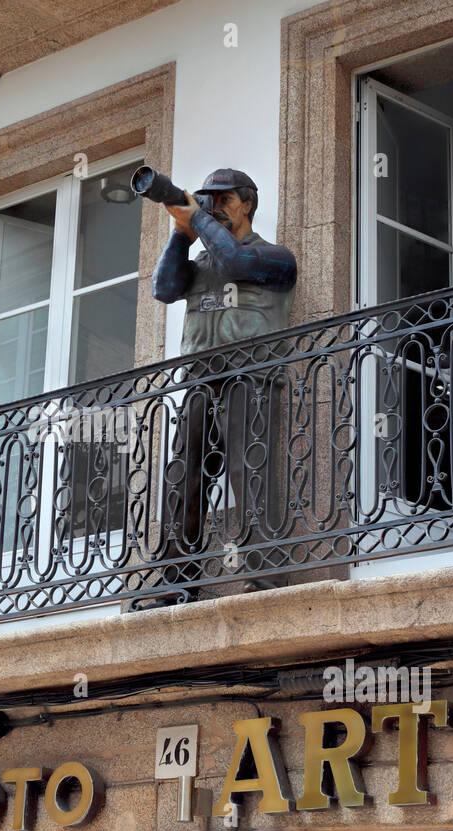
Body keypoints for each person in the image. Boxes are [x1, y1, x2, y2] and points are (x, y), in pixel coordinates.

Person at [134, 169, 298, 609]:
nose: (215, 208)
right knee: (181, 478)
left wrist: (199, 221)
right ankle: (175, 582)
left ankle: (264, 576)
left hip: (253, 375)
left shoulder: (275, 257)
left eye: (224, 200)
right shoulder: (202, 262)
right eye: (208, 200)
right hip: (201, 379)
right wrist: (181, 235)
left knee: (250, 470)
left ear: (248, 204)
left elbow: (237, 264)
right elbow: (164, 289)